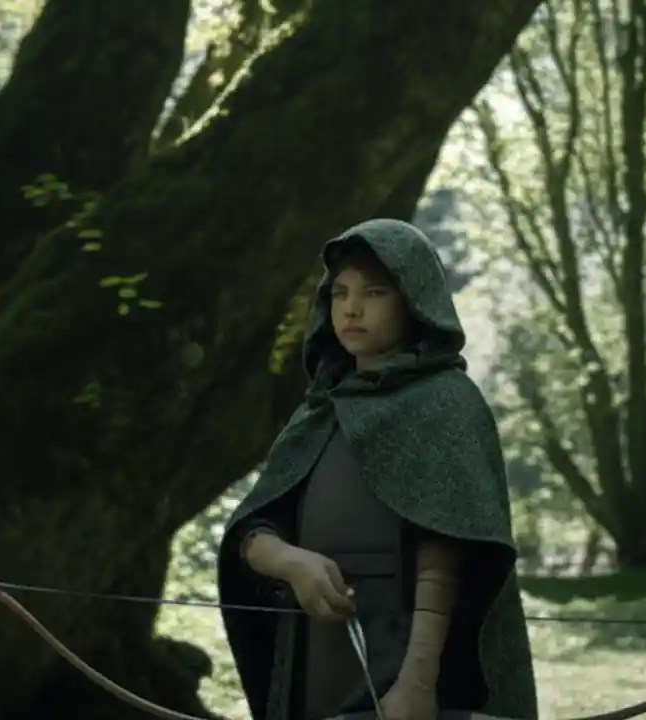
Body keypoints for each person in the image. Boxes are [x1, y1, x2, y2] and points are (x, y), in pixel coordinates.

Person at [216, 219, 538, 720]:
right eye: (340, 293)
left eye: (374, 291)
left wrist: (417, 683)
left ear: (413, 299)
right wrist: (288, 561)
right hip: (317, 665)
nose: (351, 307)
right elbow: (254, 529)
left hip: (410, 673)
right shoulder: (319, 412)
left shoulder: (447, 404)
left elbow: (447, 550)